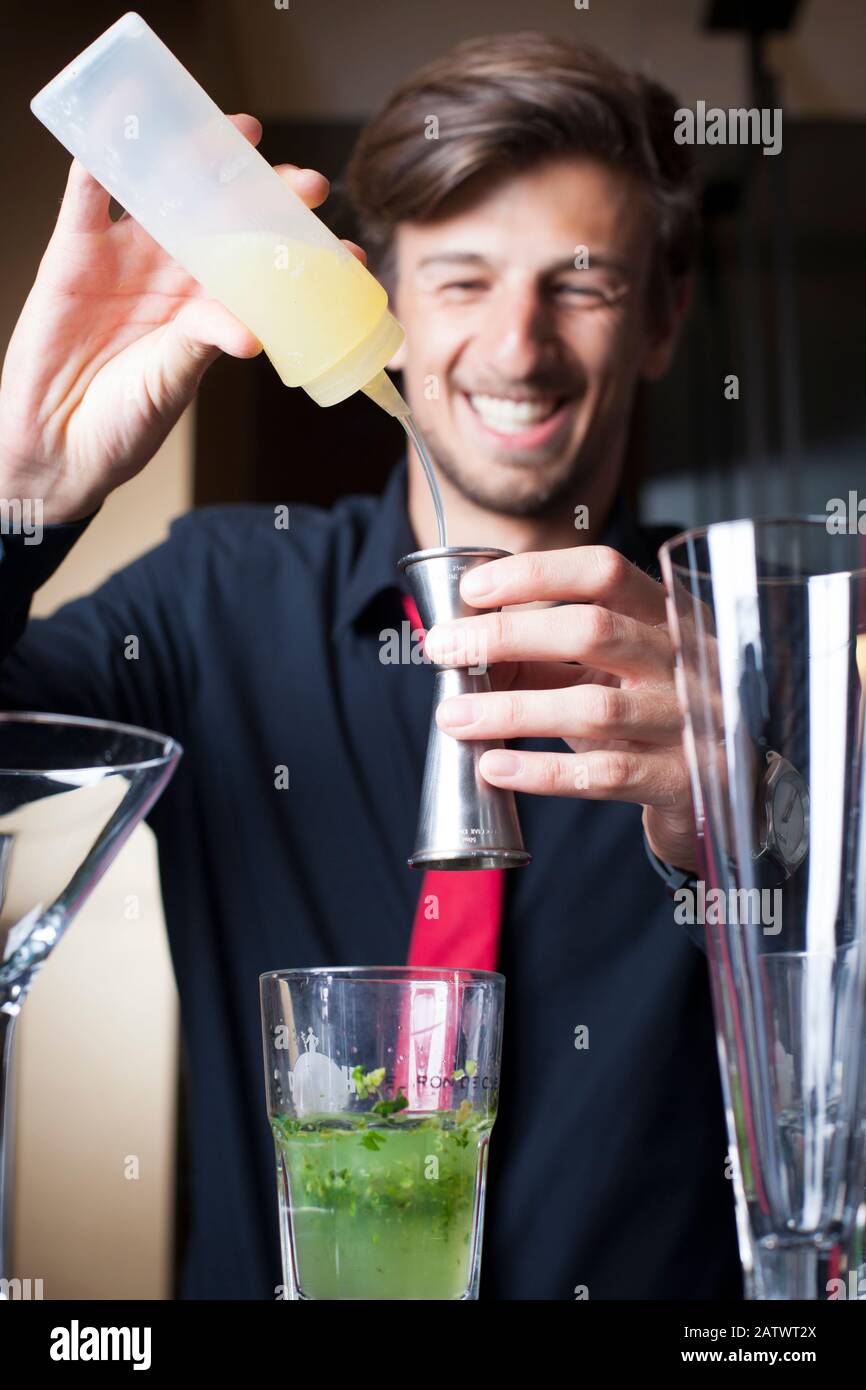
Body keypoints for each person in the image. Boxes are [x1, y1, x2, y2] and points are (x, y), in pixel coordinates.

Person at [0, 32, 741, 1299]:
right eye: (460, 282)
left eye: (582, 284)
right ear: (383, 306)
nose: (517, 348)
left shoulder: (743, 652)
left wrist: (762, 816)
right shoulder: (212, 597)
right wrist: (14, 507)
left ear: (663, 319)